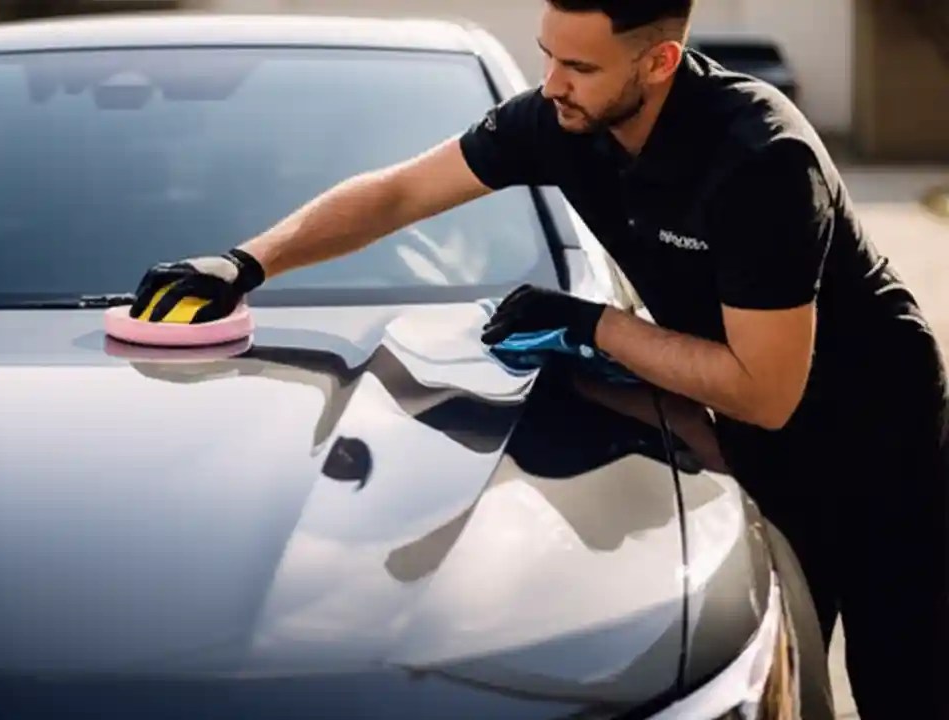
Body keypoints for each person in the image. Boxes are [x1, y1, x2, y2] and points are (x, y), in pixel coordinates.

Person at [129, 1, 949, 715]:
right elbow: (401, 193)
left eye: (580, 65)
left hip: (879, 437)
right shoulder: (561, 120)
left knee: (899, 684)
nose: (551, 80)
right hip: (751, 420)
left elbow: (763, 391)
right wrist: (247, 263)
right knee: (783, 662)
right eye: (548, 53)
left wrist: (592, 325)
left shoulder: (761, 159)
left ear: (659, 62)